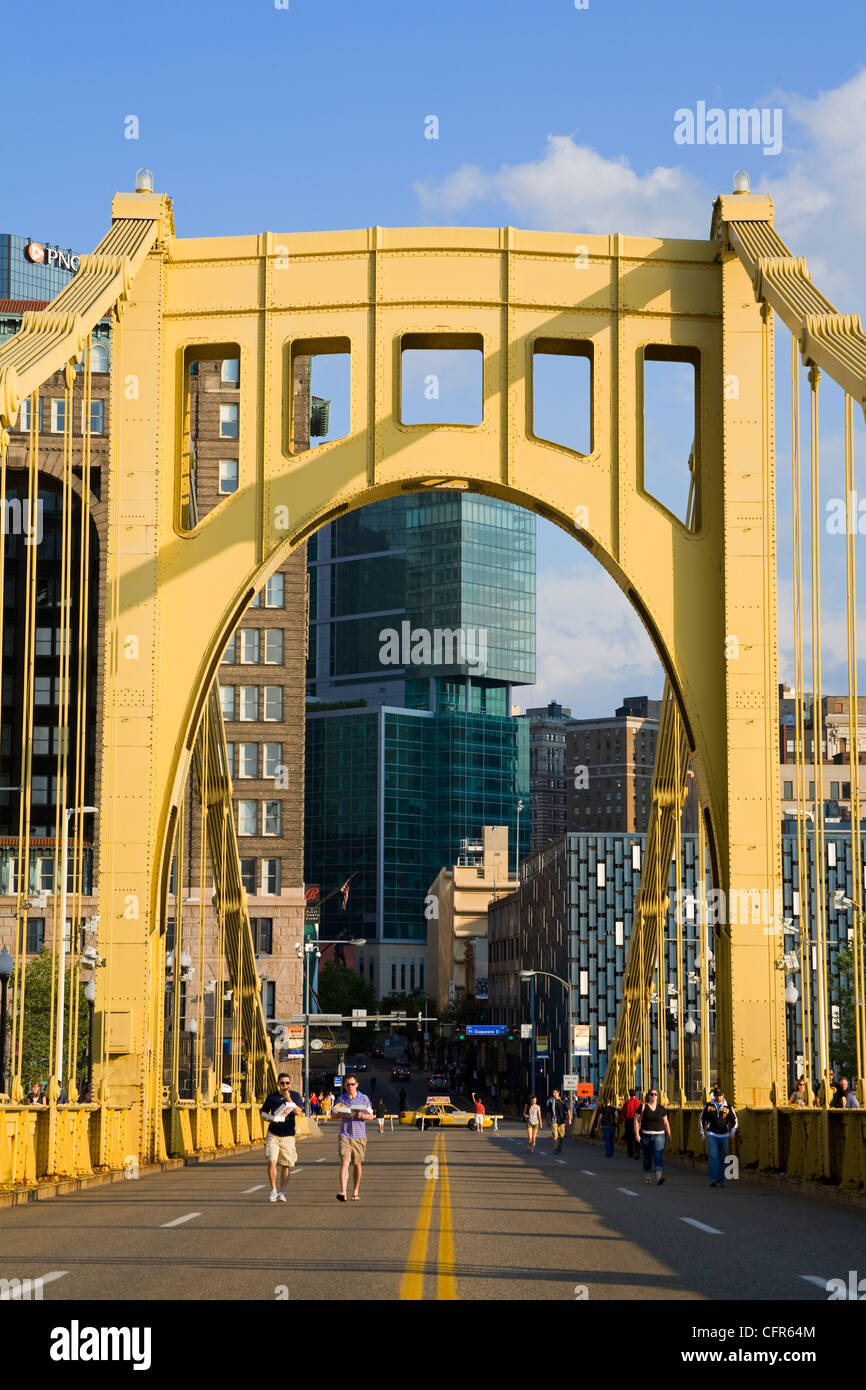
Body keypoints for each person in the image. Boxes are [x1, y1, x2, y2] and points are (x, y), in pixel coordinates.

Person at [260, 1072, 304, 1203]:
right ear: (278, 1084)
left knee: (286, 1165)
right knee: (272, 1161)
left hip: (288, 1135)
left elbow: (298, 1112)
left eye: (287, 1083)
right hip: (273, 1133)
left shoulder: (295, 1096)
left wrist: (288, 1098)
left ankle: (282, 1192)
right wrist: (271, 1118)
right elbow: (263, 1113)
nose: (285, 1085)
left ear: (290, 1084)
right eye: (282, 1083)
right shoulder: (271, 1097)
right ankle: (273, 1190)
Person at [334, 1072, 374, 1201]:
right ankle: (343, 1192)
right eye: (347, 1085)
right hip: (344, 1134)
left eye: (352, 1084)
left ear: (357, 1084)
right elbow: (332, 1116)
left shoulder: (364, 1098)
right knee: (345, 1162)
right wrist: (341, 1114)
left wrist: (362, 1116)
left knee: (357, 1164)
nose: (350, 1087)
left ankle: (355, 1190)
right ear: (345, 1086)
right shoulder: (341, 1099)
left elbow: (371, 1116)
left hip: (359, 1136)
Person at [700, 1084, 738, 1187]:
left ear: (723, 1095)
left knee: (723, 1157)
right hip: (711, 1133)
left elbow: (734, 1120)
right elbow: (702, 1119)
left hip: (724, 1135)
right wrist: (702, 1133)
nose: (718, 1097)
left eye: (720, 1095)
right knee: (713, 1157)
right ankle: (713, 1179)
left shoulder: (728, 1107)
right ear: (714, 1095)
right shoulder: (708, 1106)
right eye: (717, 1095)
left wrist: (733, 1131)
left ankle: (721, 1180)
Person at [635, 1088, 671, 1185]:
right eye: (652, 1094)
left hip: (659, 1135)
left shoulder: (661, 1108)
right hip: (646, 1135)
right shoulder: (643, 1107)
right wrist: (637, 1134)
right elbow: (636, 1120)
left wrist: (669, 1134)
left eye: (656, 1094)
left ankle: (659, 1178)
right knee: (647, 1157)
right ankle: (648, 1177)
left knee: (658, 1156)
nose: (654, 1096)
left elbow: (666, 1122)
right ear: (648, 1096)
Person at [621, 1089, 641, 1159]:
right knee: (637, 1136)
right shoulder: (639, 1102)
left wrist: (620, 1121)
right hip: (637, 1121)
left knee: (629, 1138)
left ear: (629, 1094)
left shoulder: (627, 1103)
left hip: (629, 1121)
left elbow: (623, 1113)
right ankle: (637, 1152)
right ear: (635, 1094)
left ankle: (630, 1153)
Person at [548, 1089, 568, 1153]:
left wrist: (569, 1119)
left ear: (558, 1093)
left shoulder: (562, 1100)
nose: (554, 1094)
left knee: (561, 1136)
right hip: (554, 1121)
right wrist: (548, 1120)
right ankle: (555, 1148)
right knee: (555, 1136)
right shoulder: (551, 1101)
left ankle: (560, 1145)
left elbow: (568, 1110)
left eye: (555, 1093)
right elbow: (548, 1112)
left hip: (562, 1121)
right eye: (553, 1093)